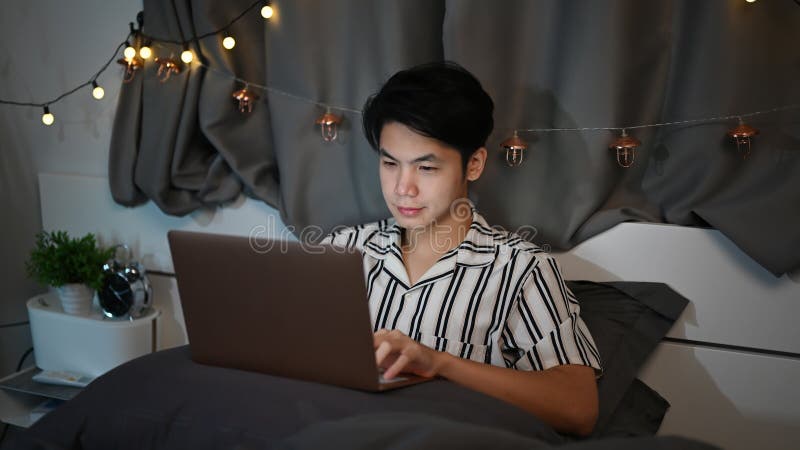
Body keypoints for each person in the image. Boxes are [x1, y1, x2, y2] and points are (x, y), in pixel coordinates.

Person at [323, 61, 602, 436]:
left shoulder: (519, 269)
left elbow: (578, 407)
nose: (403, 188)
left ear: (473, 164)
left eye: (426, 168)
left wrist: (438, 363)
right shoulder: (342, 249)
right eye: (390, 164)